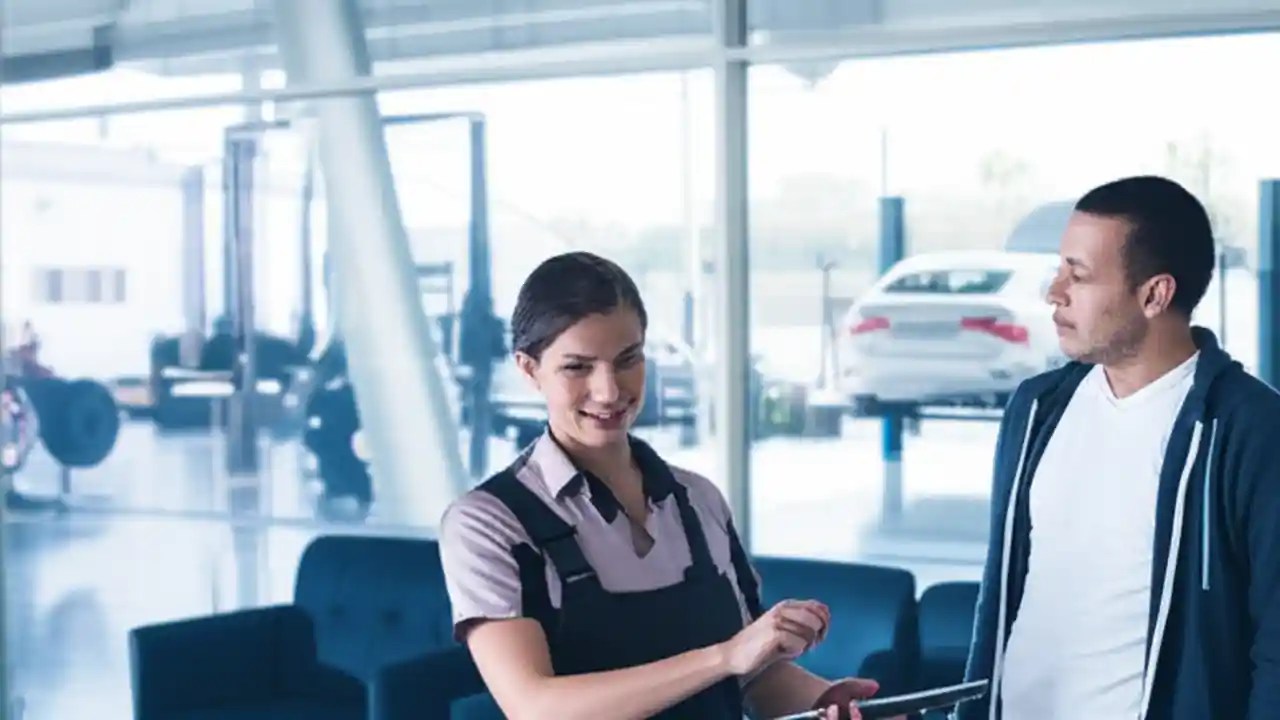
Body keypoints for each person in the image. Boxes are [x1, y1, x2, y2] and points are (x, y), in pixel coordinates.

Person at [440, 251, 897, 720]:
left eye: (627, 359)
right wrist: (723, 657)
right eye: (577, 367)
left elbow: (753, 676)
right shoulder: (489, 523)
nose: (609, 390)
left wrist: (823, 702)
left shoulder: (700, 502)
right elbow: (535, 708)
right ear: (528, 368)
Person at [958, 176, 1280, 720]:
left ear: (1155, 294)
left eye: (1077, 275)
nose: (1054, 292)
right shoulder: (1037, 409)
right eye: (1059, 268)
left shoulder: (1249, 428)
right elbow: (999, 598)